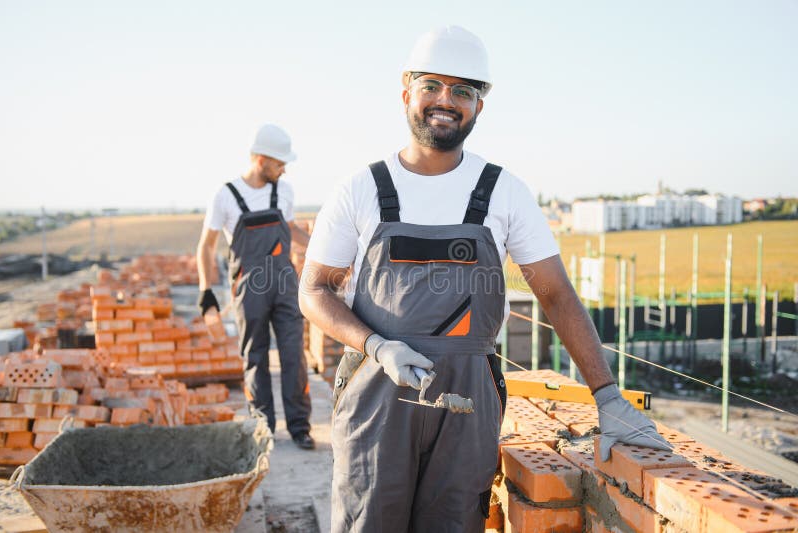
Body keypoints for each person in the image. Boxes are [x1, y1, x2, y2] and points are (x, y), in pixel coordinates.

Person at [299, 26, 669, 531]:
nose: (445, 101)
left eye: (463, 91)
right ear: (406, 90)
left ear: (479, 105)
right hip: (376, 396)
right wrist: (377, 346)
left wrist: (606, 394)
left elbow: (556, 295)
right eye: (432, 86)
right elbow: (314, 290)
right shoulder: (360, 189)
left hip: (467, 402)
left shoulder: (503, 192)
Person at [197, 123, 315, 450]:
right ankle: (262, 428)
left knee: (294, 356)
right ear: (261, 159)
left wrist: (322, 247)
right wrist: (206, 294)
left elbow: (290, 230)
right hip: (248, 288)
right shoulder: (226, 195)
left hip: (284, 282)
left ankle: (300, 428)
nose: (284, 169)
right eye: (280, 163)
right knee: (255, 358)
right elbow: (205, 246)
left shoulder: (285, 192)